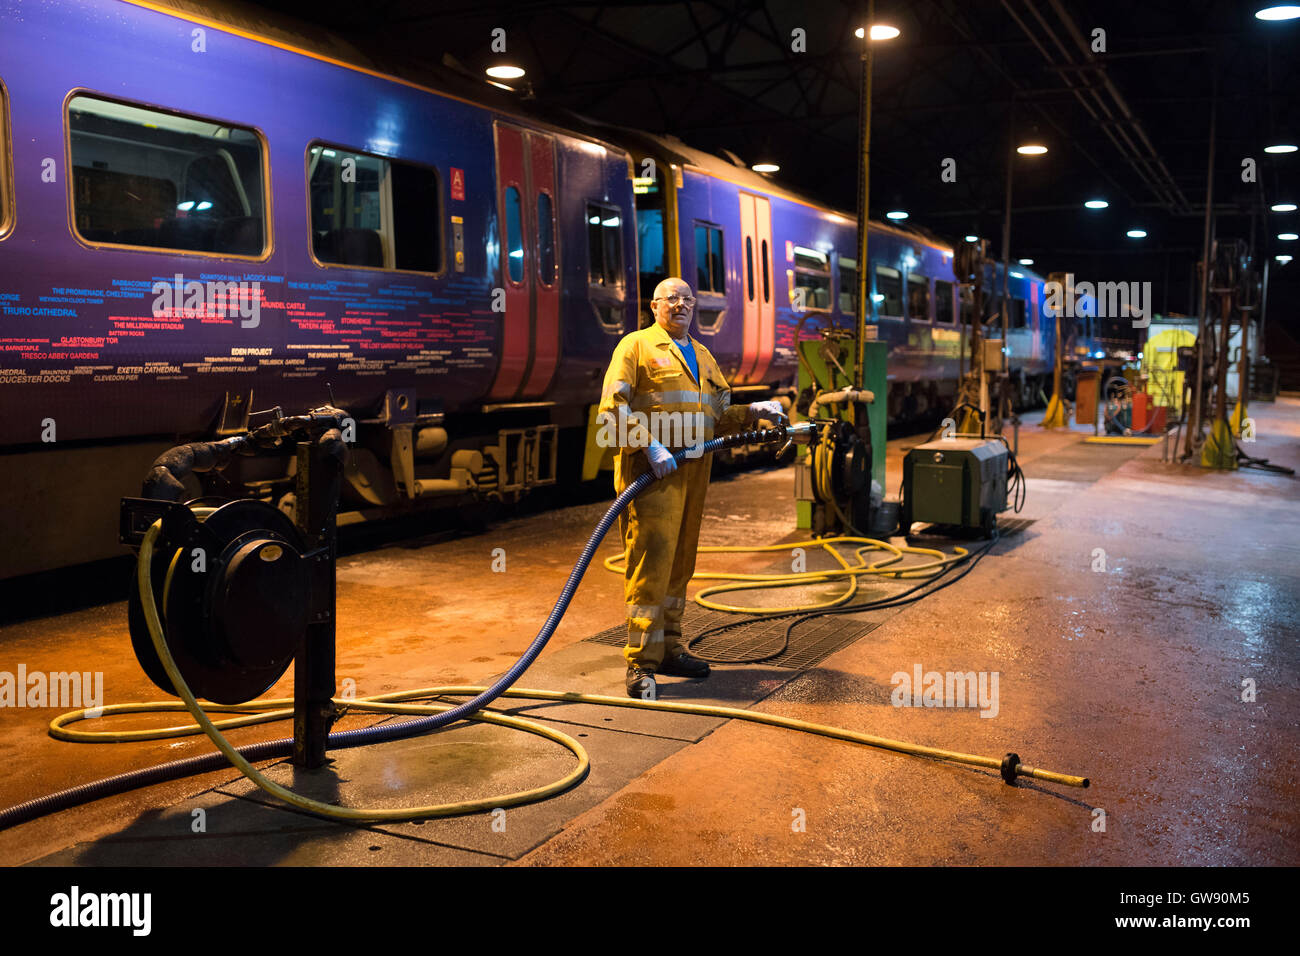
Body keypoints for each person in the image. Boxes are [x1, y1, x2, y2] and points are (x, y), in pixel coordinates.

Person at [597, 276, 786, 699]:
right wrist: (647, 444)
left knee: (681, 561)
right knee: (652, 562)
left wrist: (754, 410)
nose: (680, 305)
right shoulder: (636, 346)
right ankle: (641, 661)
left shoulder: (701, 354)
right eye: (671, 299)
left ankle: (670, 647)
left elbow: (717, 413)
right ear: (654, 306)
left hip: (693, 471)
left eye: (686, 299)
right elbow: (612, 406)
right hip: (652, 474)